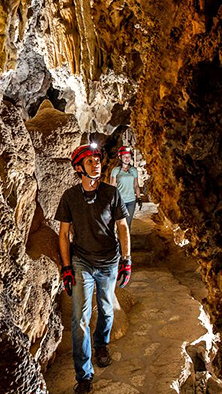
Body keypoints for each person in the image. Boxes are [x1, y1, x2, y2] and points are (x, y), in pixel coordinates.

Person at [56, 143, 132, 394]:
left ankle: (101, 344)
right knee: (80, 318)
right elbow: (64, 233)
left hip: (109, 261)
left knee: (107, 311)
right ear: (79, 168)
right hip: (82, 262)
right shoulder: (69, 197)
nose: (96, 164)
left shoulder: (111, 193)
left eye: (97, 160)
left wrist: (126, 259)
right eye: (90, 161)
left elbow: (122, 226)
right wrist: (67, 268)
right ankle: (84, 375)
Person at [109, 146, 142, 230]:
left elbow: (136, 185)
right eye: (125, 156)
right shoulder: (116, 170)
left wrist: (139, 197)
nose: (127, 158)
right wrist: (111, 200)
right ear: (120, 157)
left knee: (128, 223)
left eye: (129, 156)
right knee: (120, 224)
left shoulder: (133, 170)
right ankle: (119, 241)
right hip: (120, 201)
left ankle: (126, 242)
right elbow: (112, 186)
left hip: (131, 201)